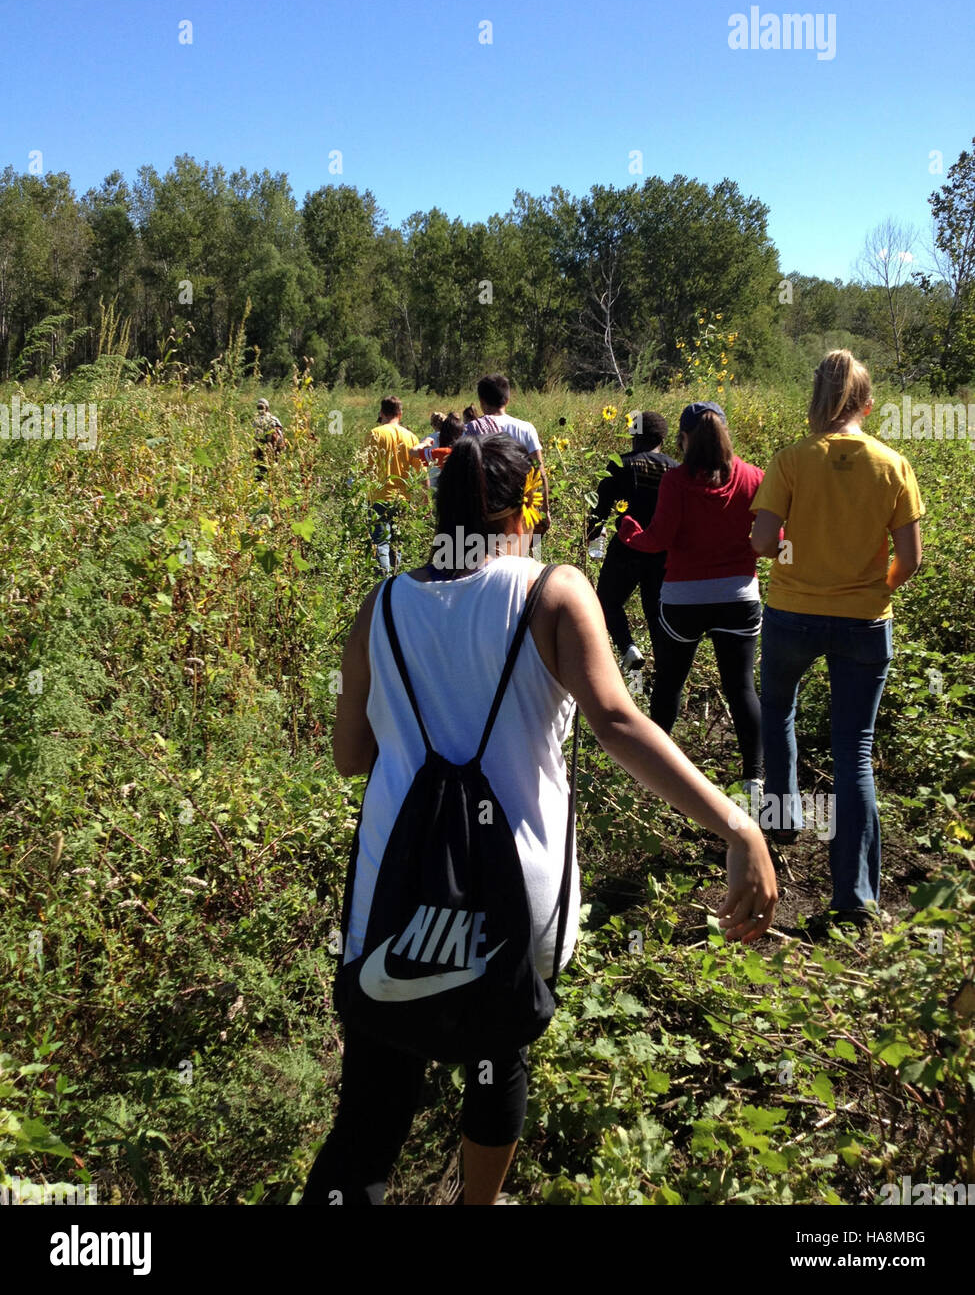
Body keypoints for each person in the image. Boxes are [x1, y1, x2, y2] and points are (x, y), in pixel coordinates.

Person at [301, 432, 777, 1206]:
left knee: (370, 1103)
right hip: (514, 890)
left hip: (394, 880)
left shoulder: (381, 606)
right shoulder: (552, 591)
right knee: (496, 1061)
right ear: (527, 505)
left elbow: (350, 756)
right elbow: (617, 723)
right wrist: (737, 825)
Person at [749, 350, 924, 929]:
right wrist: (869, 589)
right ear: (866, 404)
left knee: (778, 711)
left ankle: (780, 818)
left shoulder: (792, 460)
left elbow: (764, 542)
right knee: (855, 750)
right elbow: (910, 559)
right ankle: (854, 899)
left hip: (791, 614)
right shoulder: (893, 465)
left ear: (816, 401)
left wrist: (799, 561)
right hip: (865, 623)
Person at [618, 403, 765, 797]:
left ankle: (656, 771)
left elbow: (658, 541)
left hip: (684, 601)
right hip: (739, 598)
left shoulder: (677, 481)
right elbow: (774, 541)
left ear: (683, 439)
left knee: (669, 683)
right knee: (742, 687)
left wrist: (629, 530)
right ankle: (755, 776)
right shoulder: (755, 478)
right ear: (725, 433)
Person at [587, 410, 678, 674]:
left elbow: (599, 510)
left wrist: (593, 540)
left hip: (627, 547)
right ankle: (664, 673)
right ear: (663, 436)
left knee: (606, 601)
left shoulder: (620, 463)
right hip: (662, 553)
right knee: (655, 614)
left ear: (633, 434)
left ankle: (628, 649)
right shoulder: (676, 469)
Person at [462, 375, 550, 534]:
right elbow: (539, 470)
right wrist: (545, 510)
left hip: (486, 512)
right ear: (507, 400)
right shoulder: (526, 429)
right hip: (520, 510)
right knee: (524, 555)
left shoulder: (472, 430)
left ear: (481, 401)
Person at [364, 396, 421, 576]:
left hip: (378, 497)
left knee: (380, 543)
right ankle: (395, 581)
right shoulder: (411, 437)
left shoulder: (375, 434)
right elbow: (420, 471)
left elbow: (365, 467)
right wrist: (424, 499)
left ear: (381, 413)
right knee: (397, 544)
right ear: (400, 414)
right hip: (403, 499)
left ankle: (384, 581)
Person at [409, 410, 463, 501]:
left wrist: (425, 443)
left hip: (437, 485)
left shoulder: (442, 451)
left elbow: (413, 452)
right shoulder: (467, 448)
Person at [253, 398, 284, 478]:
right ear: (267, 408)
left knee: (260, 469)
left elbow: (255, 436)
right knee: (275, 467)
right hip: (275, 447)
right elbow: (281, 431)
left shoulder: (256, 420)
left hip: (262, 447)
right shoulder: (274, 419)